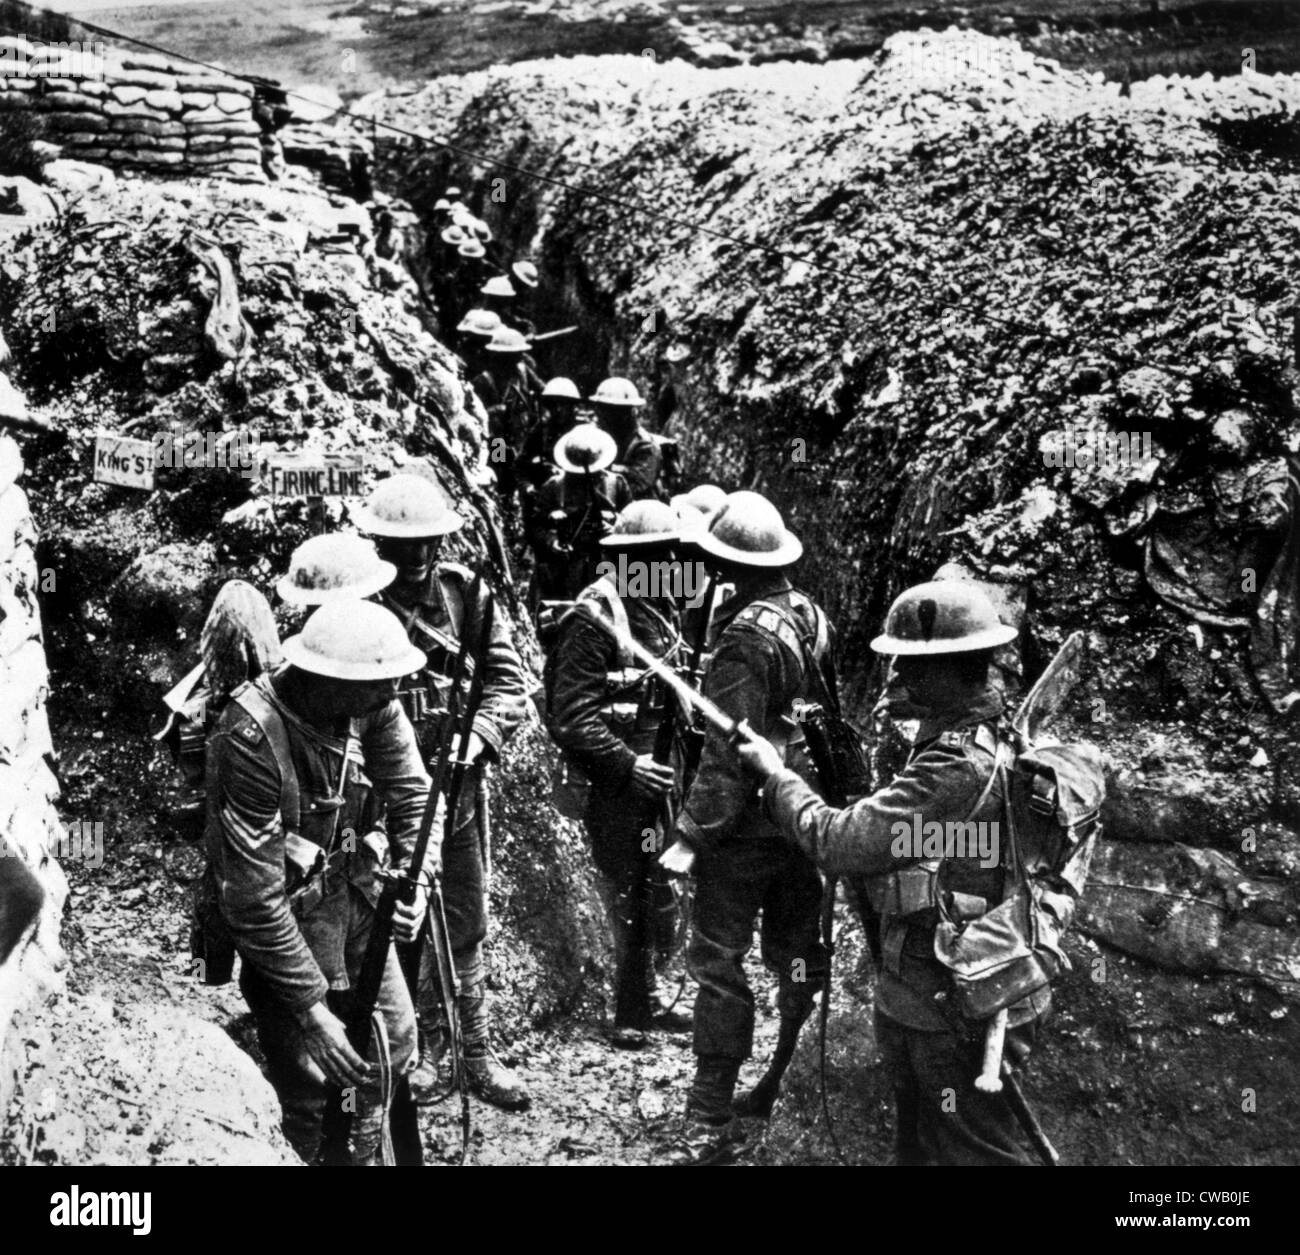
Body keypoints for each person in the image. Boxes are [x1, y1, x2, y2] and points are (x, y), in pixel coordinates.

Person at [734, 579, 1052, 1166]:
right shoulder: (985, 736)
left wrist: (774, 777)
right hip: (943, 985)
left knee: (973, 1150)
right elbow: (929, 843)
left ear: (957, 670)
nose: (899, 677)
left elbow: (840, 842)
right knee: (927, 1145)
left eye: (914, 666)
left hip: (951, 999)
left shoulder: (955, 765)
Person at [205, 598, 436, 1164]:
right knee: (310, 1086)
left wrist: (419, 881)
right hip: (285, 922)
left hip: (356, 896)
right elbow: (256, 899)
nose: (393, 695)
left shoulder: (372, 701)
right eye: (380, 686)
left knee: (395, 1044)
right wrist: (311, 1010)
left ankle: (365, 1151)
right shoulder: (250, 736)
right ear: (328, 680)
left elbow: (414, 796)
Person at [657, 491, 832, 1165]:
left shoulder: (741, 639)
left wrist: (691, 834)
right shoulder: (812, 616)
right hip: (801, 818)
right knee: (795, 953)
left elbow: (727, 752)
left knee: (718, 962)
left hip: (744, 834)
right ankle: (785, 1079)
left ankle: (709, 1110)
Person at [354, 472, 532, 1111]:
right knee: (402, 915)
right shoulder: (360, 606)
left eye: (426, 543)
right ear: (376, 543)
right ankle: (421, 1051)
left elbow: (511, 685)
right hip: (390, 795)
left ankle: (477, 1053)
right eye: (401, 546)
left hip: (458, 787)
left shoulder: (468, 598)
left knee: (464, 915)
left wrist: (476, 738)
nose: (416, 558)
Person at [547, 501, 690, 1048]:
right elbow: (570, 716)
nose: (667, 565)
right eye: (654, 557)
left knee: (652, 887)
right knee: (626, 890)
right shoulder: (593, 618)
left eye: (669, 556)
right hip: (612, 783)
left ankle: (647, 997)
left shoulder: (659, 608)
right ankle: (628, 1010)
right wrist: (627, 765)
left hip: (655, 776)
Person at [525, 424, 631, 610]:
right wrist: (552, 541)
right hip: (563, 574)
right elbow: (535, 527)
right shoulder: (554, 487)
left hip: (606, 569)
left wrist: (614, 528)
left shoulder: (617, 485)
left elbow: (632, 525)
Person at [470, 326, 542, 504]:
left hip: (520, 431)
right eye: (511, 356)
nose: (517, 359)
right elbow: (473, 414)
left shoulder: (523, 372)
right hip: (498, 437)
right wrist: (495, 411)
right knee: (501, 469)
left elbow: (542, 389)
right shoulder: (484, 380)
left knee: (521, 469)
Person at [591, 377, 663, 500]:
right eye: (601, 409)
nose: (601, 416)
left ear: (627, 413)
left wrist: (607, 469)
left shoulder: (645, 445)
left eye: (610, 411)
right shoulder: (598, 437)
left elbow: (640, 484)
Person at [517, 376, 583, 495]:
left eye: (563, 405)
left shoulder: (582, 431)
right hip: (545, 493)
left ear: (572, 406)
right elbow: (521, 464)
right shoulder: (542, 429)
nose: (558, 410)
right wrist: (527, 487)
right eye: (554, 405)